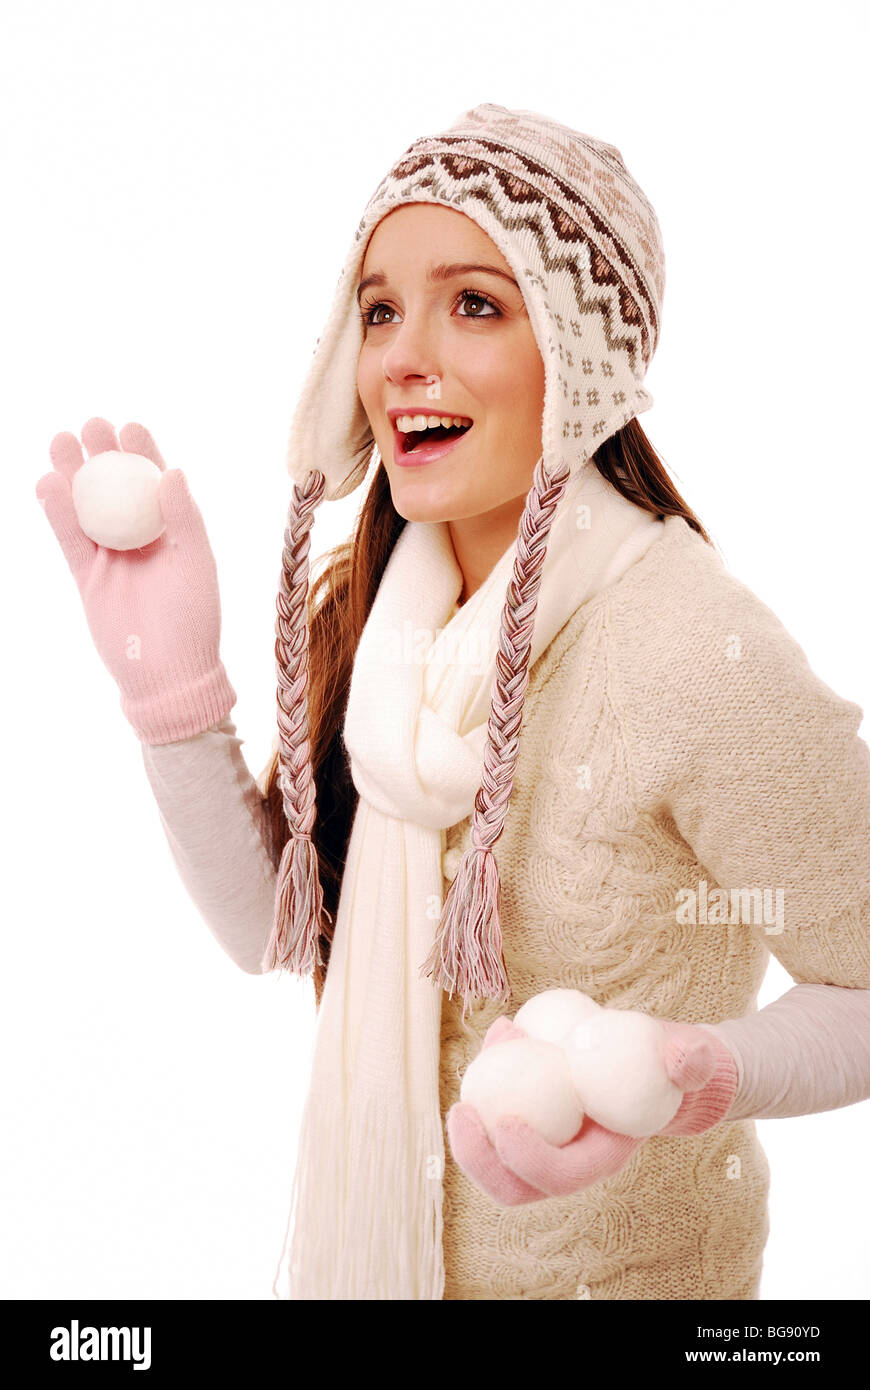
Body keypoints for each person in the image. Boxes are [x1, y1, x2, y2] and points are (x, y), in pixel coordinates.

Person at [36, 103, 870, 1301]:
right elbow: (271, 927)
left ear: (581, 361)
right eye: (378, 309)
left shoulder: (694, 651)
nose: (398, 358)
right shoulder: (389, 615)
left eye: (474, 302)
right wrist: (174, 696)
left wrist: (686, 1067)